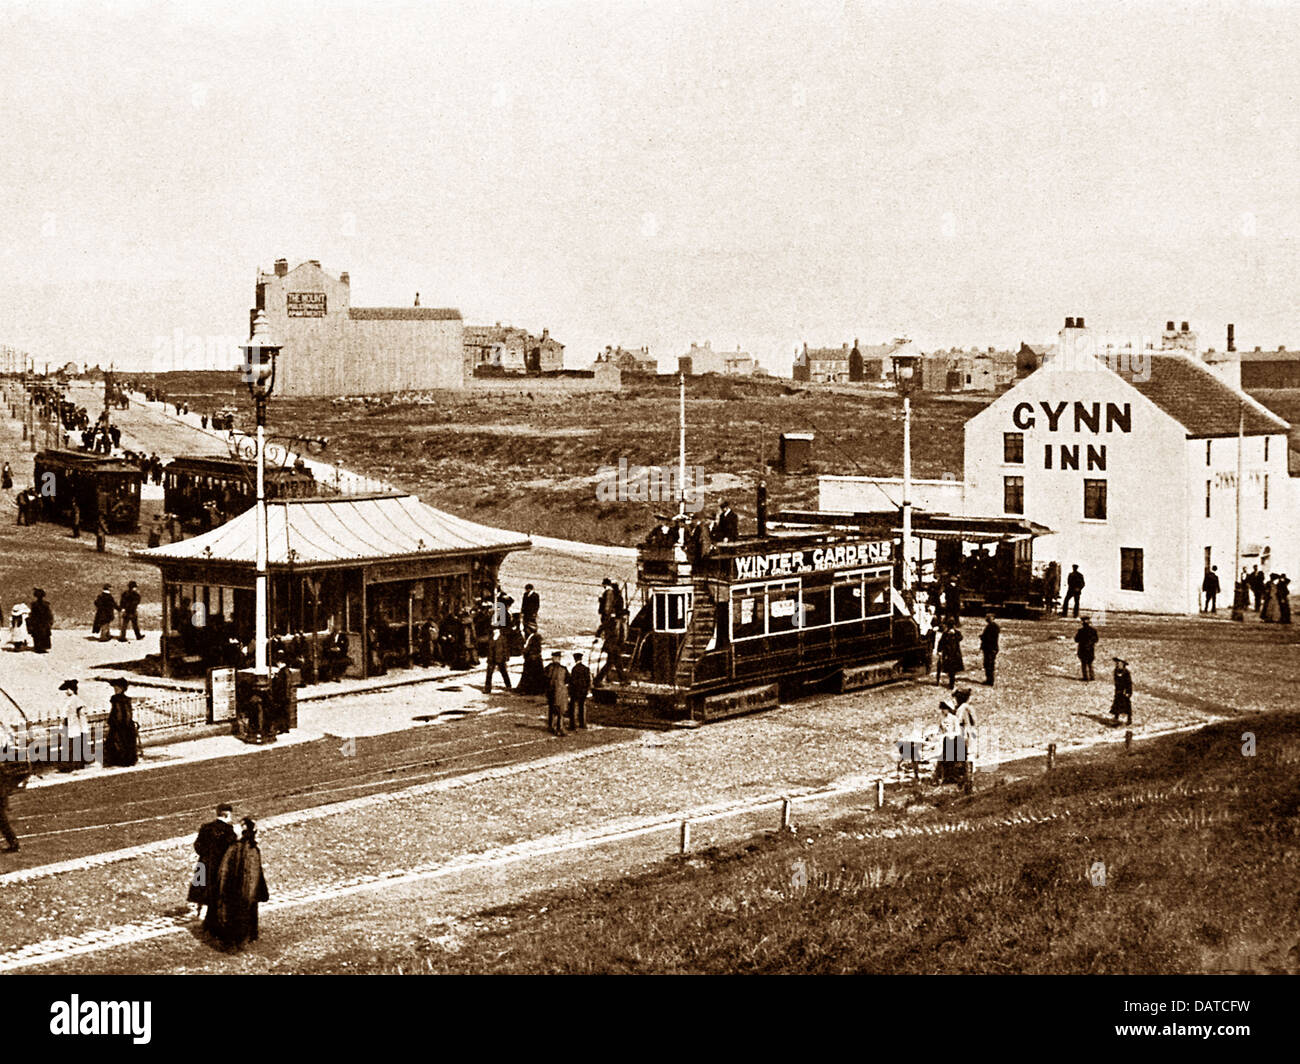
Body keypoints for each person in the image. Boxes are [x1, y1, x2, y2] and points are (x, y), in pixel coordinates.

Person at [204, 817, 269, 952]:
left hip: (235, 890)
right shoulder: (250, 849)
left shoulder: (236, 848)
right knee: (246, 912)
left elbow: (225, 871)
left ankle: (235, 940)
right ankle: (246, 936)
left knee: (235, 913)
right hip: (246, 891)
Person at [188, 803, 237, 918]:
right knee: (217, 889)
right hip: (219, 864)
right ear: (226, 814)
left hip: (204, 862)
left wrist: (204, 854)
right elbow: (232, 849)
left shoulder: (206, 827)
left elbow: (197, 845)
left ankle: (199, 910)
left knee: (201, 888)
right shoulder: (228, 830)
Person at [104, 677, 139, 767]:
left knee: (117, 742)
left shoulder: (116, 699)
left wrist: (114, 722)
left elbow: (119, 713)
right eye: (115, 688)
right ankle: (127, 760)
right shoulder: (126, 700)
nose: (115, 690)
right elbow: (127, 713)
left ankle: (120, 760)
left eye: (117, 688)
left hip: (119, 725)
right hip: (125, 725)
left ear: (122, 689)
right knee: (125, 742)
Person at [57, 679, 91, 772]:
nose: (66, 691)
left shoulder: (76, 700)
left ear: (72, 689)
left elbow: (81, 715)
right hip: (71, 726)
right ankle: (74, 765)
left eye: (68, 689)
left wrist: (82, 728)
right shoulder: (70, 700)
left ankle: (76, 765)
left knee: (75, 746)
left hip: (76, 727)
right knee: (72, 746)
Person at [544, 651, 569, 736]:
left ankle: (551, 726)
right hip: (560, 692)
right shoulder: (563, 669)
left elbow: (544, 680)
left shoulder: (548, 668)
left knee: (551, 709)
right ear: (559, 658)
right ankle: (559, 728)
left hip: (551, 692)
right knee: (560, 710)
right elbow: (568, 680)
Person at [568, 651, 591, 730]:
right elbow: (588, 680)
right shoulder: (586, 668)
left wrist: (570, 691)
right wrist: (587, 689)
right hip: (583, 691)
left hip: (575, 691)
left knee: (573, 708)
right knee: (582, 707)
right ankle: (582, 724)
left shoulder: (574, 669)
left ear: (575, 659)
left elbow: (572, 681)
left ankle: (572, 725)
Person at [518, 630, 546, 695]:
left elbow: (531, 649)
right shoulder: (532, 637)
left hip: (532, 660)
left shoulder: (534, 637)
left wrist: (525, 651)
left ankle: (530, 690)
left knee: (531, 676)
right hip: (533, 660)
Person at [484, 628, 511, 693]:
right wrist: (488, 657)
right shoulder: (491, 638)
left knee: (504, 672)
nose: (494, 631)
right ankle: (487, 689)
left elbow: (506, 648)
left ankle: (508, 686)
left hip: (500, 658)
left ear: (499, 630)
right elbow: (488, 649)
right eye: (493, 629)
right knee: (489, 674)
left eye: (496, 629)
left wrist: (506, 657)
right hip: (491, 658)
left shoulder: (503, 638)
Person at [937, 622, 963, 689]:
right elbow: (941, 642)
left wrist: (954, 634)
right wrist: (939, 651)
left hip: (955, 654)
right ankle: (951, 682)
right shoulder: (945, 634)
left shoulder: (957, 633)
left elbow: (960, 638)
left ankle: (952, 684)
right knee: (949, 669)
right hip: (947, 654)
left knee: (953, 670)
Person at [1110, 658, 1133, 728]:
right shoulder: (1116, 671)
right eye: (1117, 664)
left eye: (1119, 664)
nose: (1118, 665)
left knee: (1127, 705)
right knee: (1117, 703)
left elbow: (1129, 683)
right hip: (1118, 691)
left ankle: (1129, 719)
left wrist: (1128, 692)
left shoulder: (1126, 672)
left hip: (1125, 691)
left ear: (1123, 665)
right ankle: (1116, 717)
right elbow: (1116, 681)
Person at [28, 588, 52, 654]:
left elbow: (32, 614)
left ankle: (38, 648)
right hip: (44, 622)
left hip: (37, 622)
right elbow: (49, 614)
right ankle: (43, 647)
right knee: (44, 635)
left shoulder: (34, 604)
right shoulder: (46, 604)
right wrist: (50, 621)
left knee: (37, 635)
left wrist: (31, 622)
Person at [1074, 616, 1099, 681]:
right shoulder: (1093, 630)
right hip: (1090, 649)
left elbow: (1076, 640)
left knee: (1084, 663)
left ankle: (1085, 677)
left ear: (1082, 623)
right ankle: (1092, 676)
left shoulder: (1080, 631)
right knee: (1090, 663)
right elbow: (1096, 640)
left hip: (1082, 649)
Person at [979, 614, 999, 686]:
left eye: (989, 618)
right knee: (988, 664)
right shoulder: (991, 626)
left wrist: (982, 637)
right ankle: (989, 679)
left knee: (989, 664)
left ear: (993, 618)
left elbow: (990, 638)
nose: (987, 619)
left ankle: (990, 681)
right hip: (989, 648)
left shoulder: (993, 627)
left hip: (990, 648)